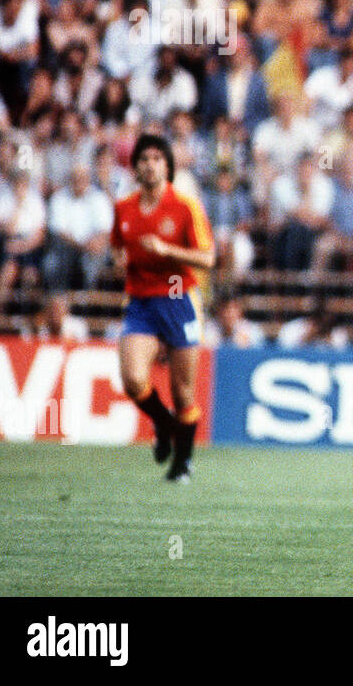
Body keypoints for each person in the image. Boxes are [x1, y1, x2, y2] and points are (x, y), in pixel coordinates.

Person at [110, 134, 215, 483]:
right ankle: (161, 420)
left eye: (157, 158)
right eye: (143, 158)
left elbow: (208, 257)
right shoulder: (123, 209)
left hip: (178, 299)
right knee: (133, 379)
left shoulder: (185, 207)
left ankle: (182, 463)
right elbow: (117, 247)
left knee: (183, 391)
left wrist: (167, 251)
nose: (150, 164)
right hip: (142, 302)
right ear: (135, 167)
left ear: (167, 167)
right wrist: (119, 260)